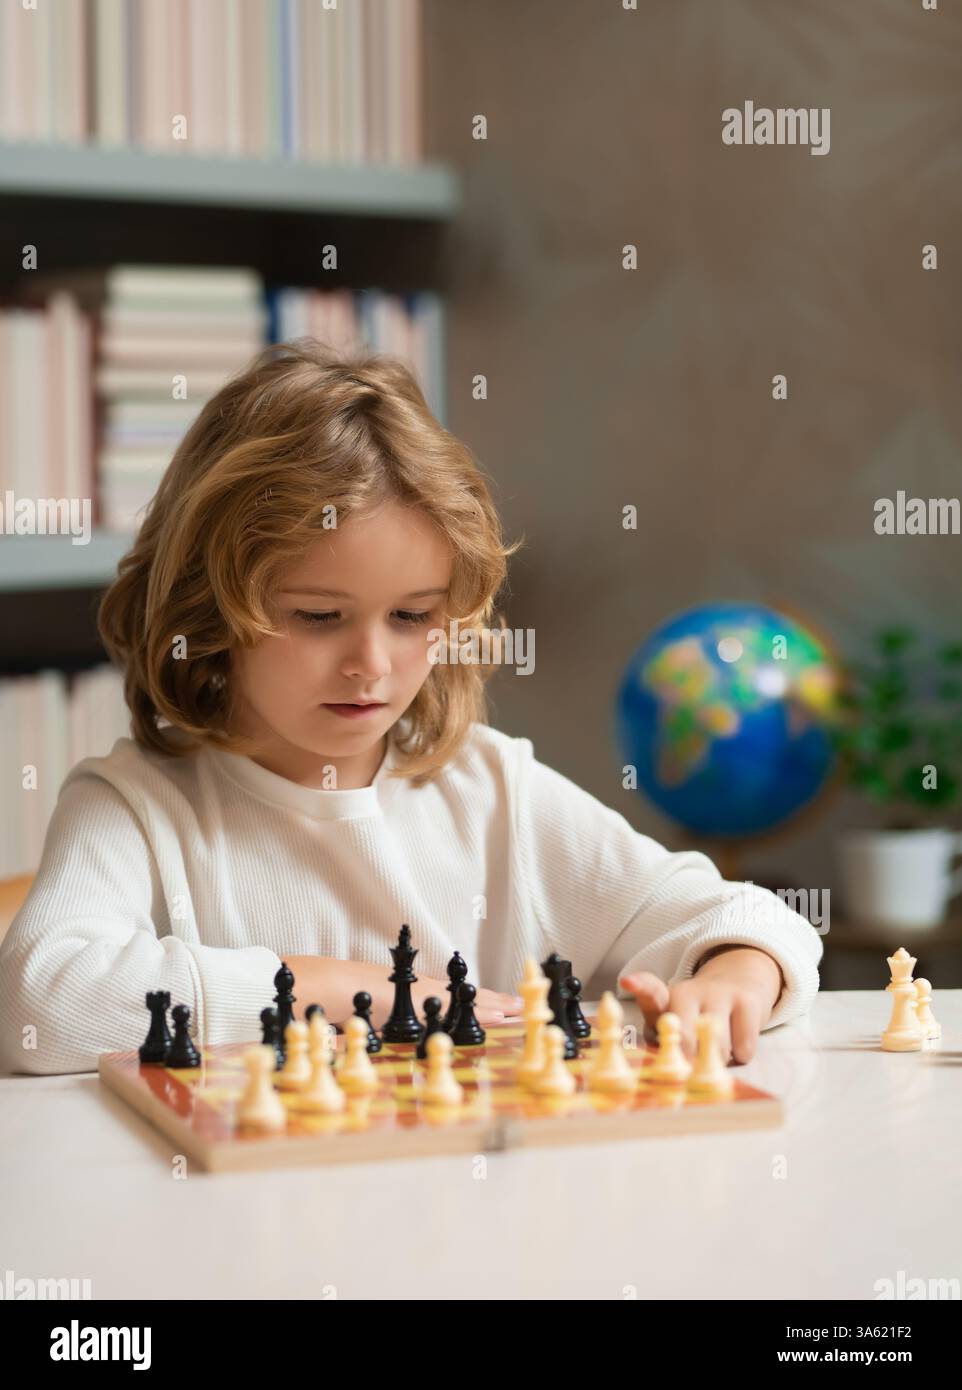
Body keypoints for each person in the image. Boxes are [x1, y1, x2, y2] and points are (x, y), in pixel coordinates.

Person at [0, 340, 821, 1075]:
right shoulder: (137, 808)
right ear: (207, 607)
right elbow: (44, 1003)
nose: (372, 665)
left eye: (414, 615)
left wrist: (737, 971)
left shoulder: (493, 793)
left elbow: (741, 914)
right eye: (319, 616)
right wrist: (342, 989)